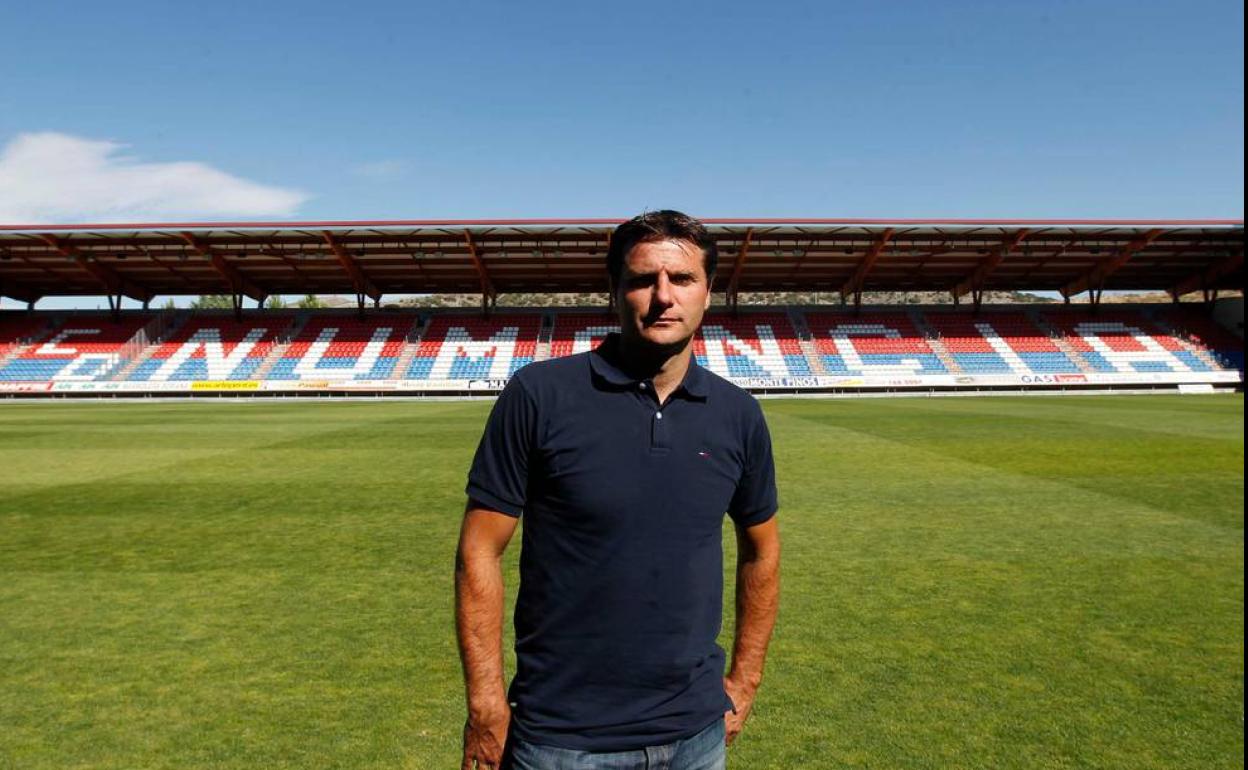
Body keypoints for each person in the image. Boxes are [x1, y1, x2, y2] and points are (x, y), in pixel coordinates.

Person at [456, 210, 781, 770]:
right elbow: (478, 551)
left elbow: (763, 549)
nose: (663, 297)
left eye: (681, 279)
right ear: (614, 291)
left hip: (695, 737)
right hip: (561, 739)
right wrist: (486, 705)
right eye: (642, 279)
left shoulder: (739, 415)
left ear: (709, 292)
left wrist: (745, 679)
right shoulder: (539, 395)